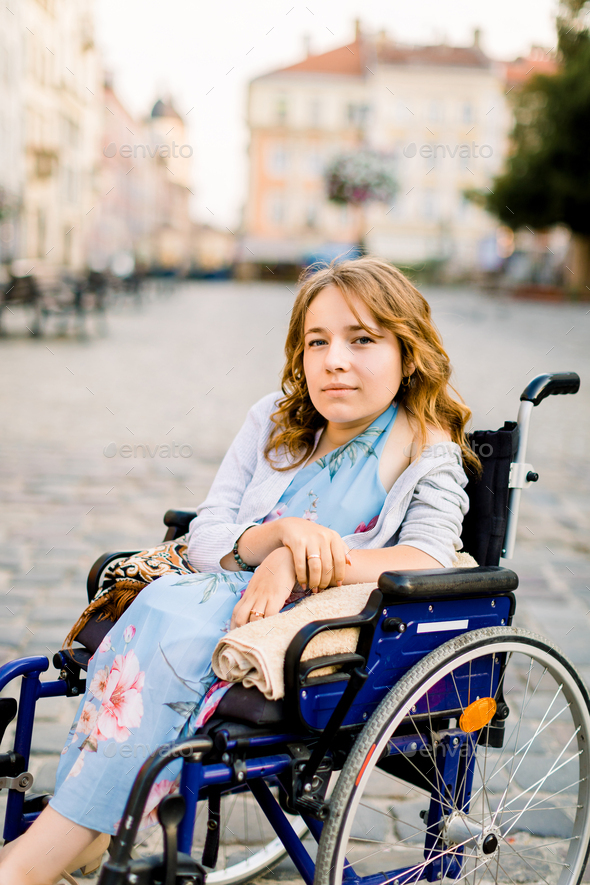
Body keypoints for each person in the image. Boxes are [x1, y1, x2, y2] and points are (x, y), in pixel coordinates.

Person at [0, 257, 481, 884]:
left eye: (363, 339)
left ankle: (38, 859)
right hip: (208, 592)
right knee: (156, 627)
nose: (335, 359)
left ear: (408, 352)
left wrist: (301, 565)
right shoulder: (273, 424)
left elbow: (428, 557)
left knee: (171, 641)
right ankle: (85, 822)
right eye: (318, 342)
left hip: (301, 626)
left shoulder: (425, 449)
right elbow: (207, 536)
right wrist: (276, 536)